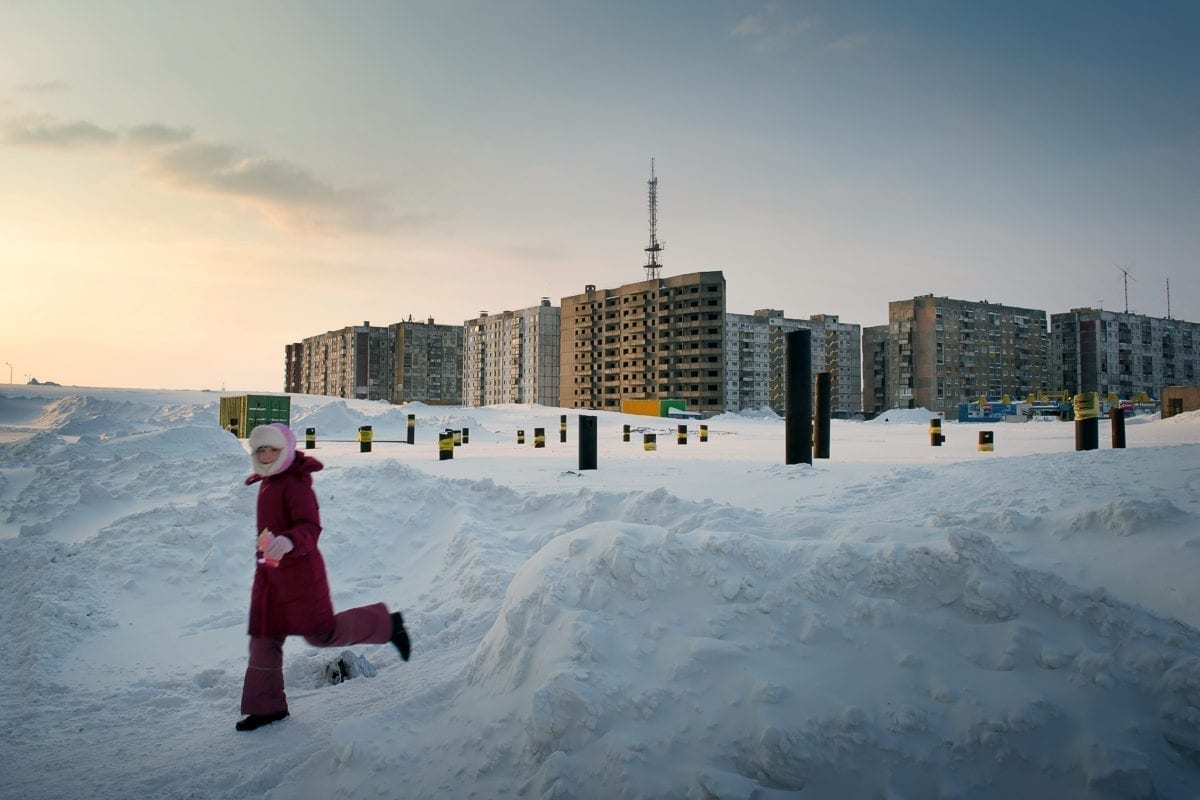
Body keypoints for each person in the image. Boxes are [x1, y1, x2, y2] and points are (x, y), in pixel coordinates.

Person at [236, 422, 411, 732]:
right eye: (260, 449)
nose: (265, 455)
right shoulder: (266, 482)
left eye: (272, 449)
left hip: (301, 577)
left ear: (285, 451)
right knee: (264, 637)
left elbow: (310, 527)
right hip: (270, 577)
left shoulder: (295, 483)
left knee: (321, 634)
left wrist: (290, 540)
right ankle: (266, 707)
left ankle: (388, 624)